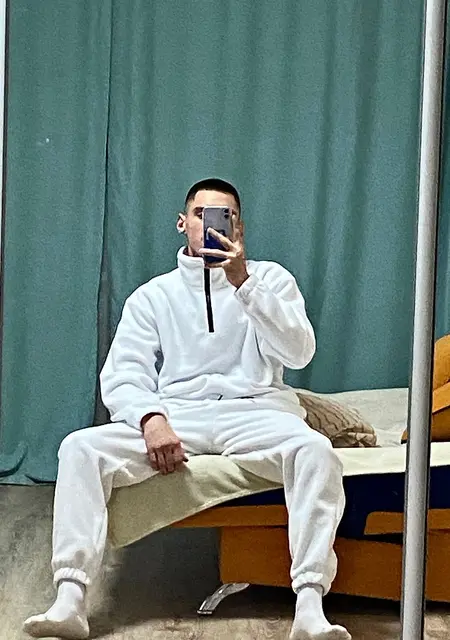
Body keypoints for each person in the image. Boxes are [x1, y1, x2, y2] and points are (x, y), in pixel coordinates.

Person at [23, 178, 350, 640]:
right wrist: (151, 418)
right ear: (182, 223)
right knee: (79, 448)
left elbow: (299, 353)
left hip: (255, 412)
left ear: (239, 227)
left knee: (316, 452)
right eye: (201, 214)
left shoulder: (271, 279)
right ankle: (70, 599)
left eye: (225, 216)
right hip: (179, 416)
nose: (211, 225)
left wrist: (244, 284)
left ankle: (310, 606)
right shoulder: (153, 295)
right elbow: (123, 372)